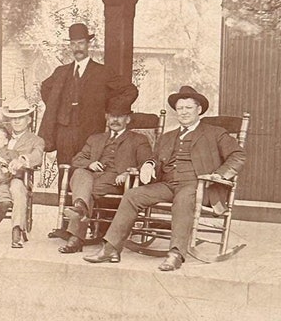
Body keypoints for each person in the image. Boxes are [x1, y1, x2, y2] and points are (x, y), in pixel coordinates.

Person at [85, 85, 245, 272]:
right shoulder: (168, 137)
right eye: (180, 109)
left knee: (184, 199)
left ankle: (175, 254)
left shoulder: (214, 133)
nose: (183, 112)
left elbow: (238, 156)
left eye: (188, 108)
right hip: (168, 184)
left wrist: (219, 174)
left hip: (198, 184)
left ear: (198, 110)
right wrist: (149, 165)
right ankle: (110, 248)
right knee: (133, 195)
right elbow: (155, 159)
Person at [57, 99, 153, 254]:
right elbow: (77, 159)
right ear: (107, 118)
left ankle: (76, 236)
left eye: (120, 116)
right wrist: (90, 164)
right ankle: (81, 209)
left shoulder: (138, 140)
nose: (115, 120)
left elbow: (148, 163)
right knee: (80, 172)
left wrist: (128, 172)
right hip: (93, 177)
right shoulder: (95, 138)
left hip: (117, 181)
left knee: (83, 188)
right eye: (112, 116)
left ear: (127, 119)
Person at [39, 23, 137, 167]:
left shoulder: (102, 72)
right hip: (64, 132)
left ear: (88, 44)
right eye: (73, 44)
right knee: (64, 171)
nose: (77, 47)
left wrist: (109, 109)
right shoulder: (61, 72)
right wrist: (59, 108)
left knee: (87, 170)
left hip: (91, 131)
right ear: (70, 46)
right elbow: (46, 89)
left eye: (81, 43)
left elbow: (130, 90)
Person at [3, 97, 46, 241]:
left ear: (28, 119)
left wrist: (23, 159)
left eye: (20, 117)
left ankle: (17, 229)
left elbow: (37, 155)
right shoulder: (1, 135)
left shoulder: (36, 140)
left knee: (17, 189)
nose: (16, 121)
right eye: (13, 118)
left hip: (16, 178)